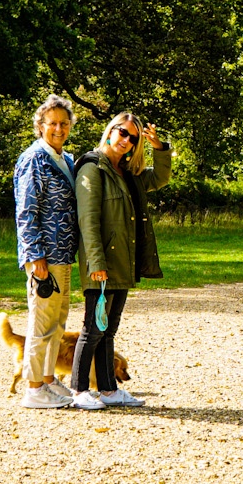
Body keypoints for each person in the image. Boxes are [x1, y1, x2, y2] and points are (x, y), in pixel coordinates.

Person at [71, 111, 172, 410]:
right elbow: (87, 220)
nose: (126, 140)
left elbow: (161, 178)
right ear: (110, 131)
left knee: (108, 330)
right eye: (122, 132)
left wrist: (160, 148)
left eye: (133, 137)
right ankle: (78, 391)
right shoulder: (93, 168)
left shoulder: (128, 172)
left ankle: (109, 389)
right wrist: (95, 262)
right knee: (92, 329)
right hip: (102, 264)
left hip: (123, 263)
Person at [12, 96, 80, 408]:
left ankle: (50, 379)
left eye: (63, 123)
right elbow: (26, 211)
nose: (58, 128)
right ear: (40, 126)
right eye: (51, 123)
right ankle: (34, 388)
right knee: (41, 324)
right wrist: (34, 255)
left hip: (64, 254)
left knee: (58, 322)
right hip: (44, 257)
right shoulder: (33, 160)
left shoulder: (66, 159)